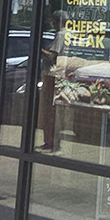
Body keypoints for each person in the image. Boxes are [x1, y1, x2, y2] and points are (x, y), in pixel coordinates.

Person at [38, 10, 67, 151]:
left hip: (52, 76)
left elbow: (52, 55)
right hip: (57, 76)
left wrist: (40, 49)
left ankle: (50, 143)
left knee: (49, 111)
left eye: (54, 21)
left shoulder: (61, 35)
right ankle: (50, 141)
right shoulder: (68, 34)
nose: (53, 24)